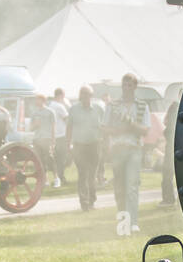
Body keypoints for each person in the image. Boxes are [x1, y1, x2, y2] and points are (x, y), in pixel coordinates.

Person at [107, 73, 151, 233]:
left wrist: (131, 124)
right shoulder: (112, 105)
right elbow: (105, 127)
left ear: (134, 87)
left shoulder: (142, 106)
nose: (126, 88)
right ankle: (122, 223)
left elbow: (146, 130)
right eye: (124, 85)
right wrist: (119, 130)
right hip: (118, 148)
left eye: (129, 85)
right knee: (119, 187)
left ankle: (133, 222)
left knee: (132, 185)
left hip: (134, 149)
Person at [69, 84, 104, 212]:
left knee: (92, 174)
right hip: (79, 146)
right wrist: (68, 144)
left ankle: (92, 201)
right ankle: (84, 203)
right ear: (80, 96)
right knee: (83, 174)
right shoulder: (73, 109)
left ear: (91, 96)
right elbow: (69, 127)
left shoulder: (99, 109)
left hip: (95, 145)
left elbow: (104, 127)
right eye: (82, 94)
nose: (85, 96)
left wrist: (106, 143)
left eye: (87, 94)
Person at [29, 95, 57, 183]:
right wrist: (35, 125)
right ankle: (46, 179)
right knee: (40, 160)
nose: (36, 101)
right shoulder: (34, 113)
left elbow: (53, 127)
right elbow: (31, 128)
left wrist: (53, 140)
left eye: (38, 100)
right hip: (37, 139)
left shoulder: (50, 112)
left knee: (49, 158)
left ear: (43, 100)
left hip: (47, 138)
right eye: (36, 100)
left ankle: (56, 178)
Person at [47, 88, 70, 188]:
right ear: (60, 95)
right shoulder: (60, 106)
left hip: (53, 135)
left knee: (55, 159)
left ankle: (57, 177)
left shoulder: (50, 105)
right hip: (61, 135)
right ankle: (61, 177)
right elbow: (67, 120)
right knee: (63, 158)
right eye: (63, 96)